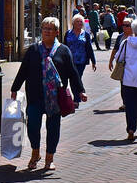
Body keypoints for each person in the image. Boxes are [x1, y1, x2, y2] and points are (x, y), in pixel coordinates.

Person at [11, 16, 87, 172]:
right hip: (35, 96)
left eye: (50, 29)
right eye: (44, 28)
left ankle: (49, 158)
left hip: (55, 98)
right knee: (32, 125)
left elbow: (72, 73)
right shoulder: (33, 50)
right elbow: (23, 70)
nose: (46, 31)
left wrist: (80, 91)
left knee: (53, 128)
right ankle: (35, 154)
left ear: (56, 32)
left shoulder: (63, 51)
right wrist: (15, 88)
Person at [64, 12, 96, 95]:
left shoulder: (86, 35)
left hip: (81, 60)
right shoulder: (68, 33)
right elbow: (64, 47)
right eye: (77, 21)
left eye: (81, 22)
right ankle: (80, 93)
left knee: (77, 77)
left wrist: (93, 61)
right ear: (73, 23)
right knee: (72, 78)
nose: (79, 23)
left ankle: (77, 98)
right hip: (70, 60)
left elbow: (89, 48)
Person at [110, 16, 134, 108]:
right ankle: (125, 103)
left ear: (132, 26)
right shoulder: (120, 36)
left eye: (127, 25)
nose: (124, 27)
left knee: (132, 84)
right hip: (122, 65)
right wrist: (110, 61)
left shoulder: (136, 36)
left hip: (133, 65)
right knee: (123, 85)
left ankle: (132, 101)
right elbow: (115, 49)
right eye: (123, 25)